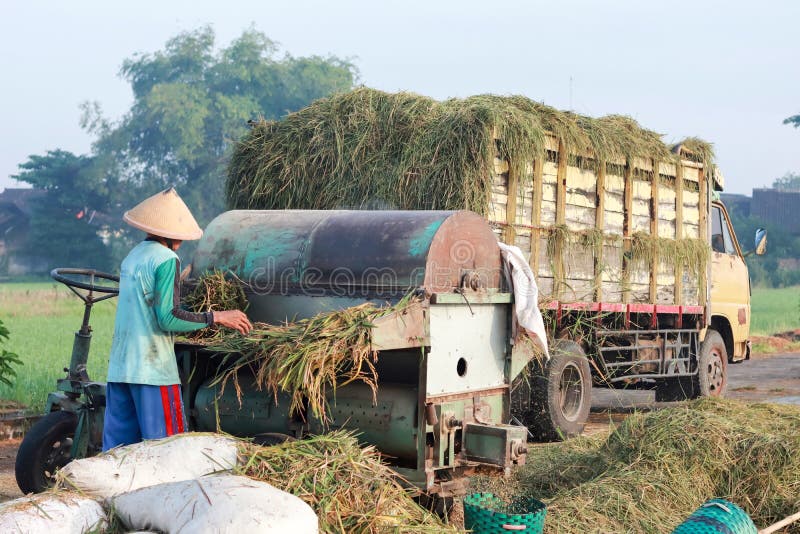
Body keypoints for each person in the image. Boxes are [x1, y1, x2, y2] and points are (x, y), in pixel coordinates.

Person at [102, 187, 252, 451]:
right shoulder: (166, 259)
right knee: (164, 450)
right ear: (171, 235)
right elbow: (169, 318)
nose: (181, 243)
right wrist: (217, 316)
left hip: (120, 370)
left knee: (118, 454)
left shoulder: (132, 257)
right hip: (152, 372)